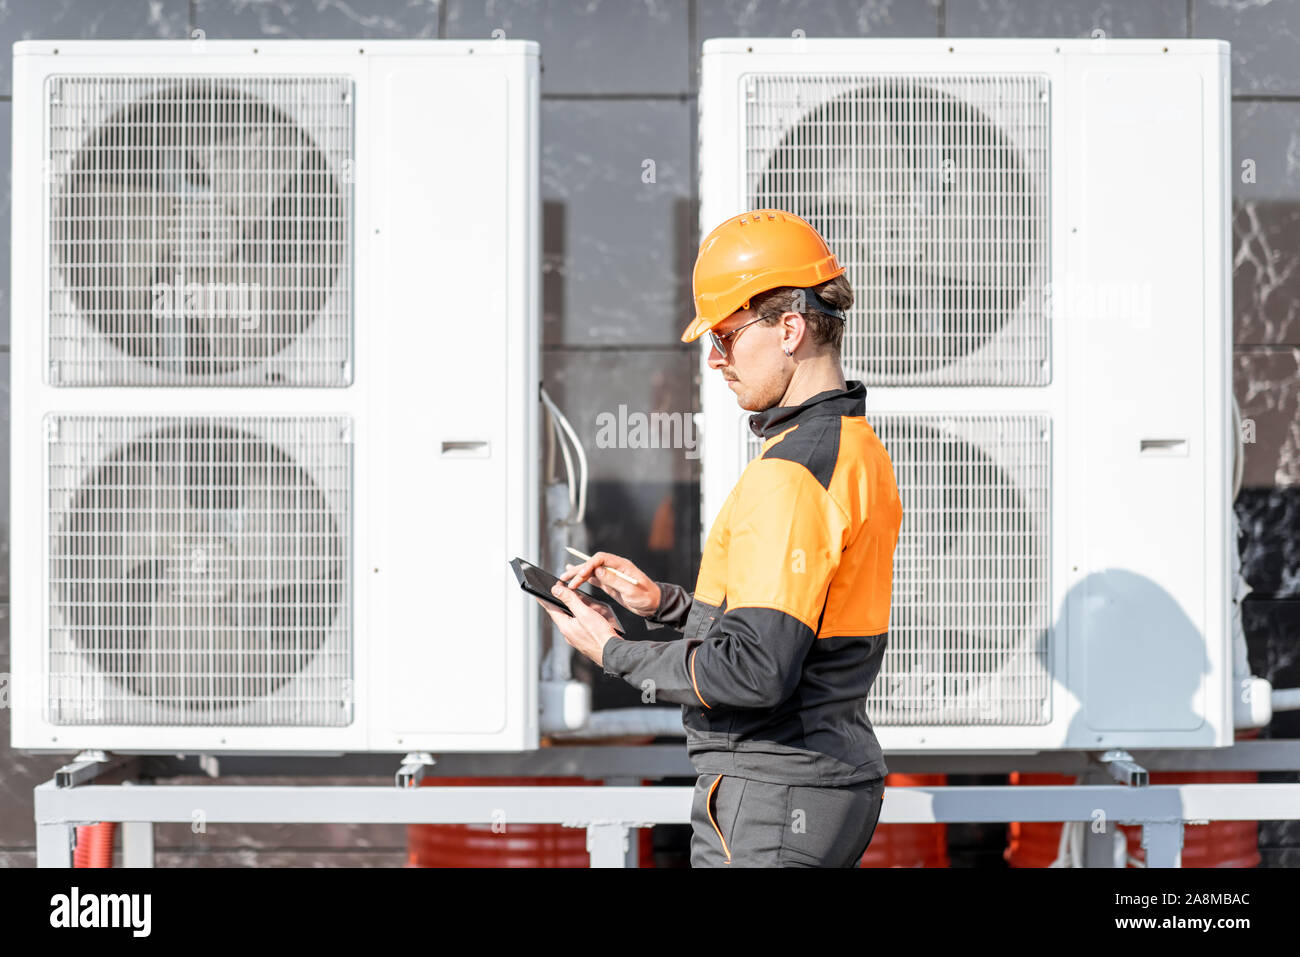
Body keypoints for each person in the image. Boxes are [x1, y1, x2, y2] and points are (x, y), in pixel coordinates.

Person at [538, 208, 903, 867]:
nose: (713, 358)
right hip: (818, 778)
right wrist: (667, 606)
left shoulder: (791, 473)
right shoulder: (854, 449)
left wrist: (612, 649)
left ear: (789, 329)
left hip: (773, 794)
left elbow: (756, 671)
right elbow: (803, 622)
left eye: (727, 335)